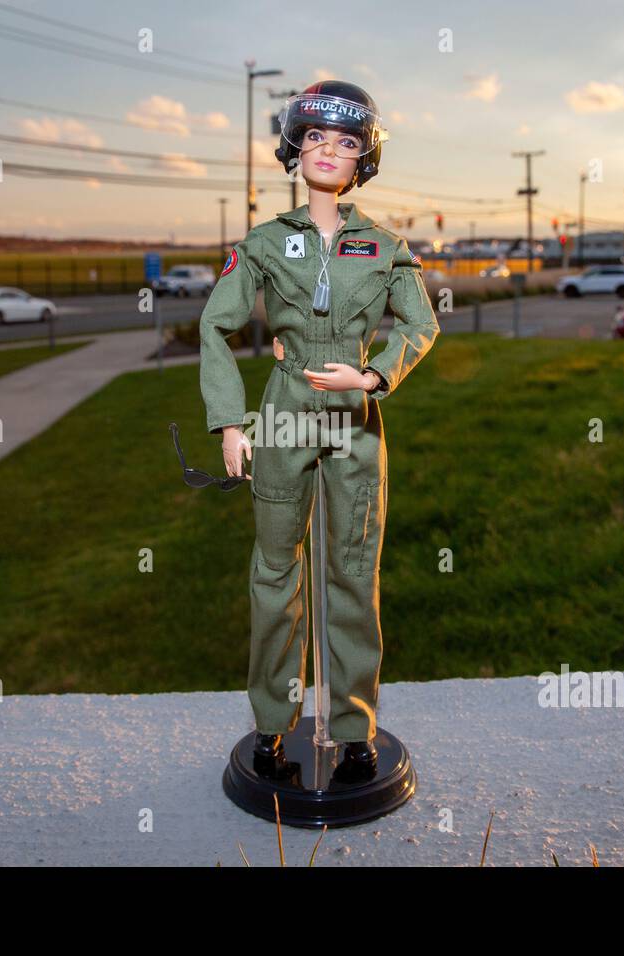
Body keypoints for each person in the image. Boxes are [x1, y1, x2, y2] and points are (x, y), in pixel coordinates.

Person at [199, 80, 439, 784]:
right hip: (281, 409)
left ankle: (353, 726)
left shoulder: (385, 246)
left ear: (363, 157)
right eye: (315, 137)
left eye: (346, 141)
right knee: (275, 571)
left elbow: (421, 325)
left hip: (355, 422)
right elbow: (217, 326)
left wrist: (375, 377)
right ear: (294, 149)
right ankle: (273, 724)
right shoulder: (265, 244)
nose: (329, 151)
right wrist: (226, 419)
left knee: (352, 572)